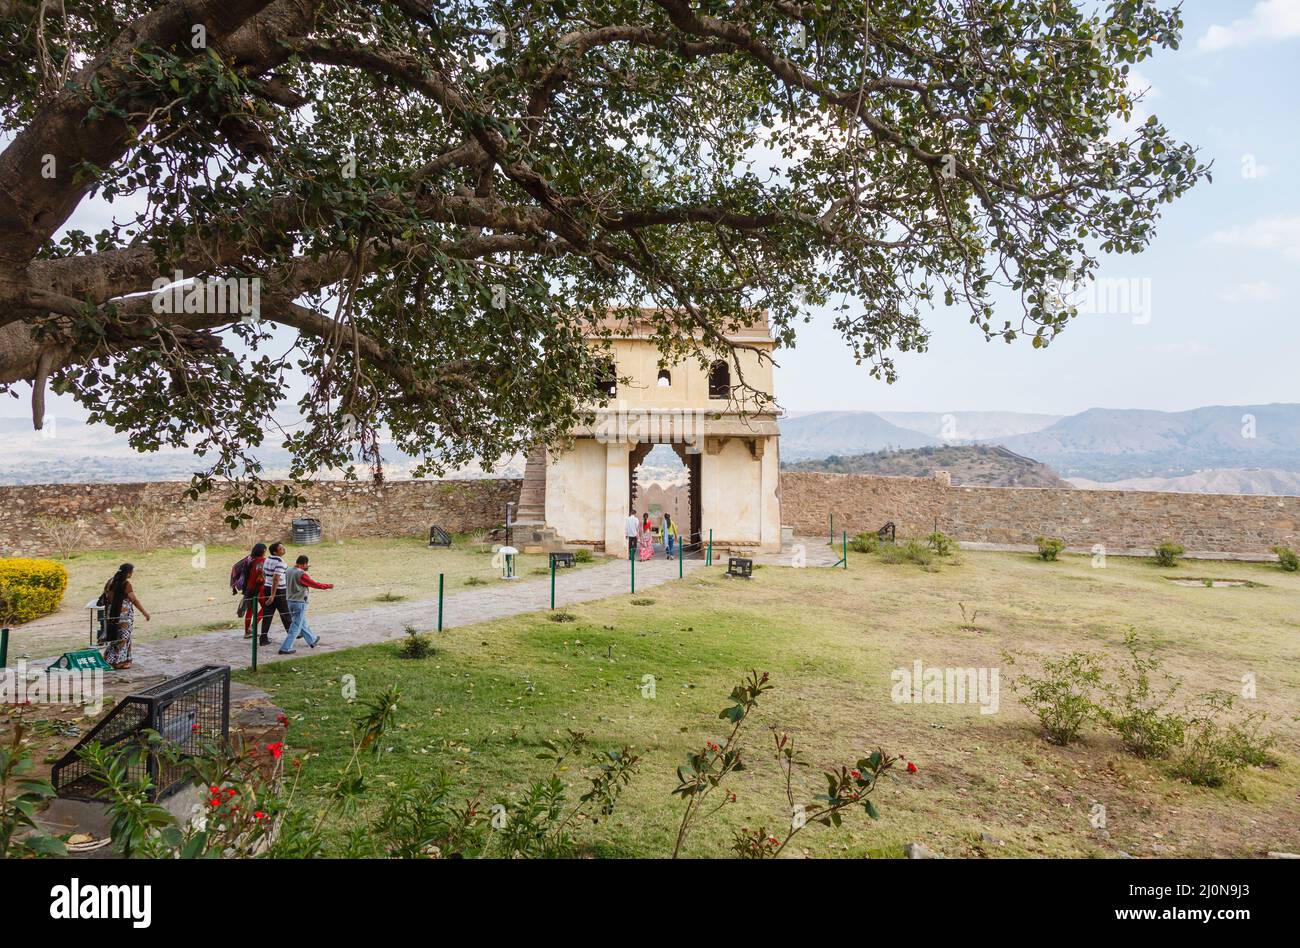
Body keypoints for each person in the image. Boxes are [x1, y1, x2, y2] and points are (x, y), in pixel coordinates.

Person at [279, 554, 333, 654]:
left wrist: (304, 569)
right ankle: (285, 647)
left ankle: (312, 640)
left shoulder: (288, 571)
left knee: (302, 623)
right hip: (299, 602)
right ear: (304, 564)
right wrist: (327, 586)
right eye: (306, 565)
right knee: (296, 626)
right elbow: (313, 583)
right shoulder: (301, 573)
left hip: (289, 601)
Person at [101, 563, 150, 670]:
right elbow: (134, 600)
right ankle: (119, 661)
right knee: (124, 638)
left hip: (111, 614)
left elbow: (106, 597)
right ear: (128, 573)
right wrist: (144, 613)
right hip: (123, 616)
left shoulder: (110, 581)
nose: (132, 574)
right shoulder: (126, 584)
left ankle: (111, 659)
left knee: (115, 637)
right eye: (132, 572)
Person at [258, 541, 292, 646]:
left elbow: (263, 573)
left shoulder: (268, 559)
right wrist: (273, 595)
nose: (284, 549)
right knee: (285, 613)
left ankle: (263, 638)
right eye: (281, 548)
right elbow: (276, 579)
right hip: (278, 590)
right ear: (275, 552)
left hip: (267, 588)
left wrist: (267, 584)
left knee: (267, 614)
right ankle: (293, 634)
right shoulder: (280, 563)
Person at [234, 543, 267, 637]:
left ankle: (246, 632)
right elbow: (260, 572)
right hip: (258, 588)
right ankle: (253, 626)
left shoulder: (249, 559)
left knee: (250, 610)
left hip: (248, 588)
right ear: (263, 551)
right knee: (266, 608)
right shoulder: (261, 560)